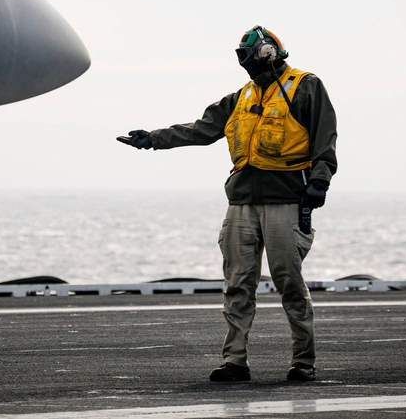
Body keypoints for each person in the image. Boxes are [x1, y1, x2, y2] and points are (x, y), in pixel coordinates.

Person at [120, 25, 337, 382]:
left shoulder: (306, 86)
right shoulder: (240, 97)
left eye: (247, 56)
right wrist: (152, 139)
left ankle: (304, 361)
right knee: (237, 283)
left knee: (290, 283)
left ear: (266, 52)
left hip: (286, 199)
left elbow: (324, 136)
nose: (245, 63)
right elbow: (200, 129)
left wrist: (319, 181)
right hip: (241, 202)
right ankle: (235, 361)